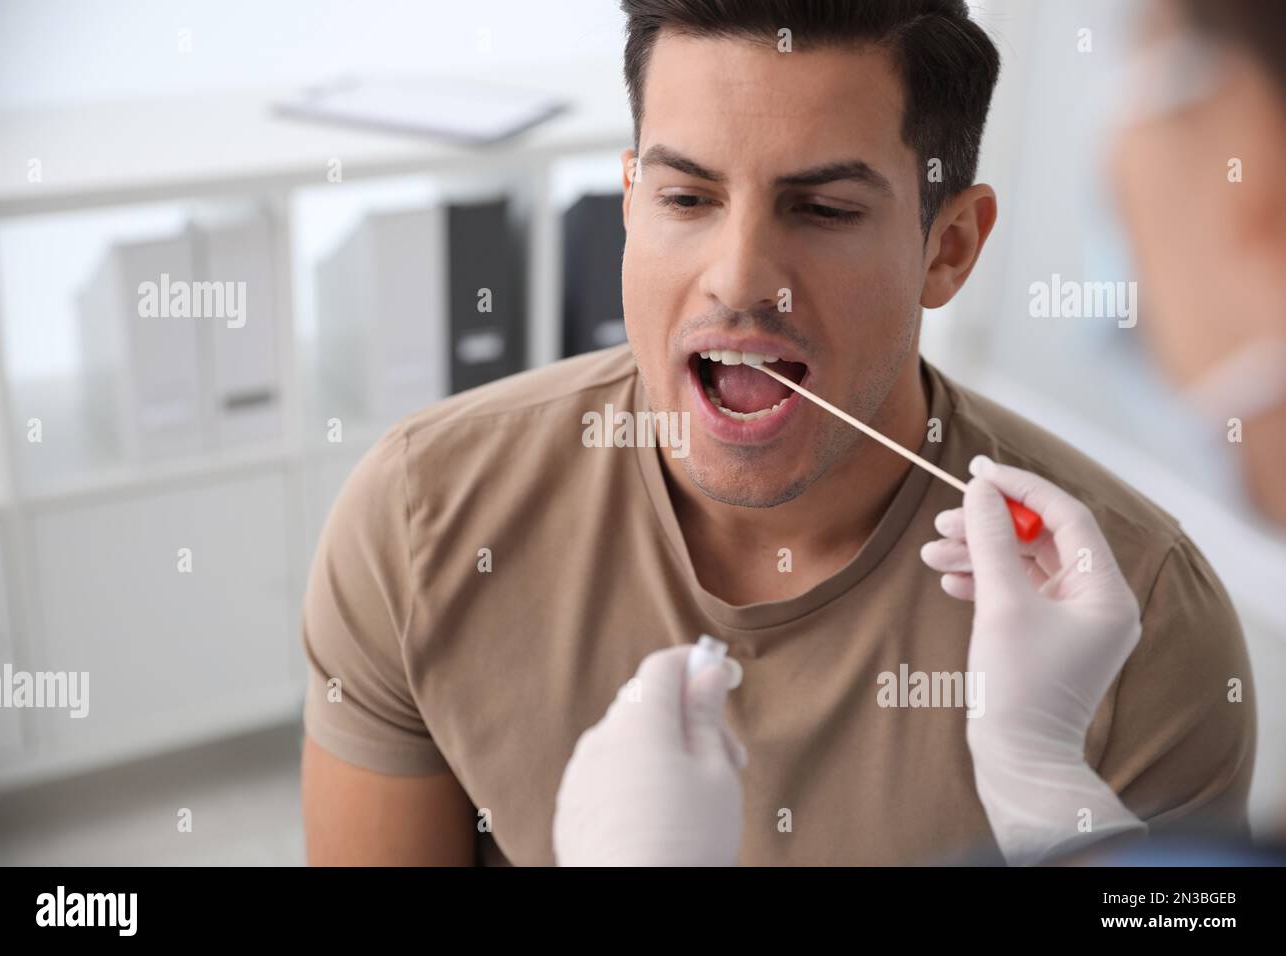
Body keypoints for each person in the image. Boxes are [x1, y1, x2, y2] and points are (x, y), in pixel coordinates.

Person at [301, 0, 1253, 866]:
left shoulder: (1138, 620)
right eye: (685, 199)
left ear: (949, 247)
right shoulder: (421, 518)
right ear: (630, 203)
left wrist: (1056, 816)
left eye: (825, 209)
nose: (741, 276)